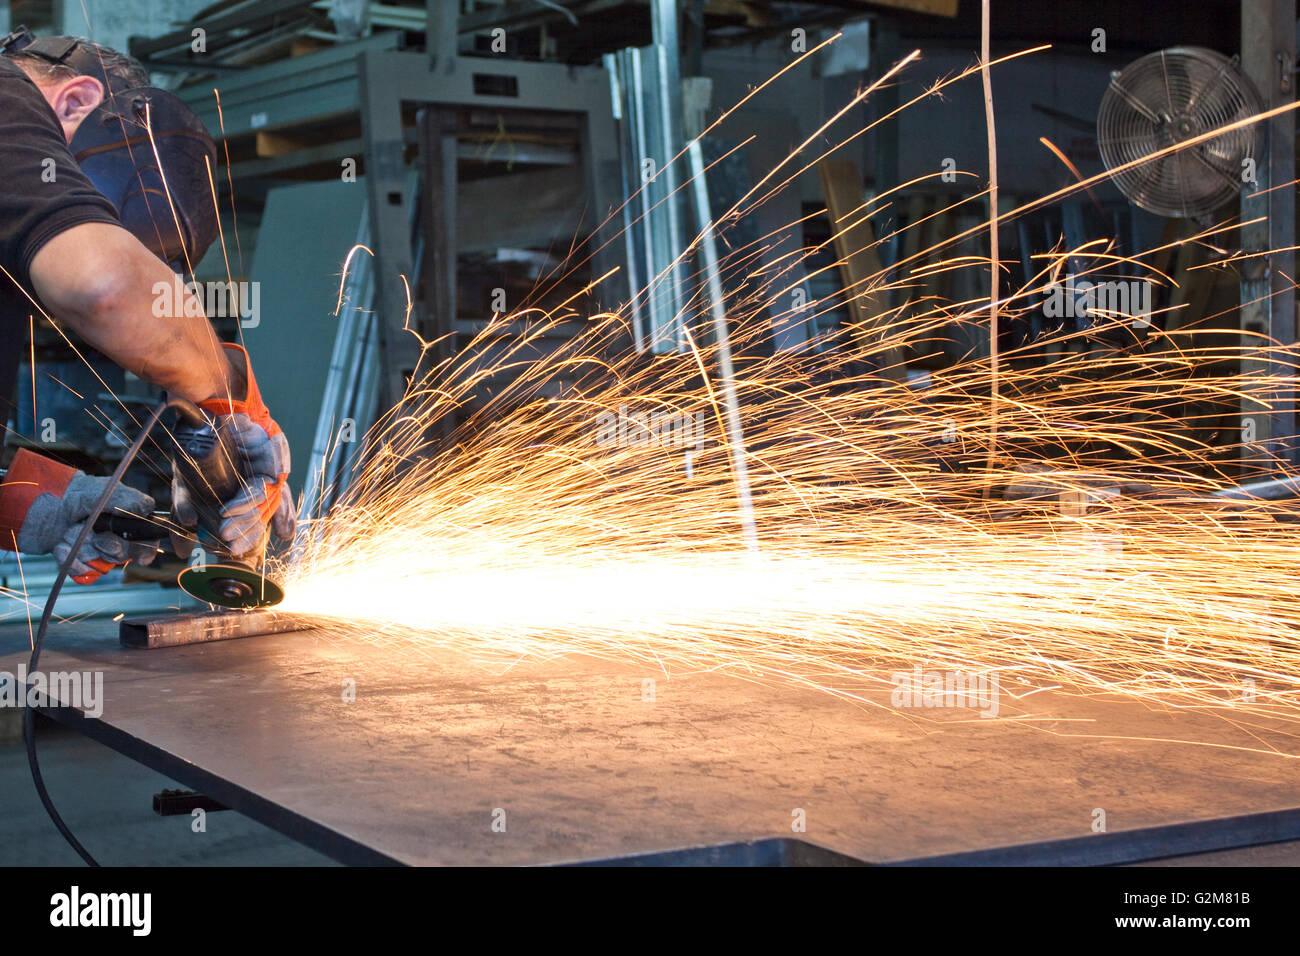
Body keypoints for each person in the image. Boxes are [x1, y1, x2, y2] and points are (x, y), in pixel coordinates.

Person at [0, 29, 293, 584]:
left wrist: (36, 500)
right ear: (76, 101)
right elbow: (106, 287)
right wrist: (231, 404)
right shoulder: (8, 97)